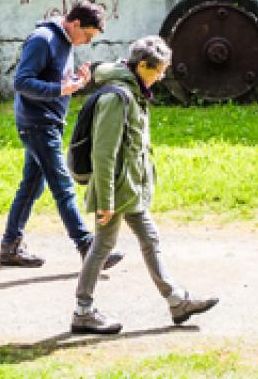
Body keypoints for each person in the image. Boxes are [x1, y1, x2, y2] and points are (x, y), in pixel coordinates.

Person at [71, 35, 219, 335]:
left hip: (130, 188)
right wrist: (106, 201)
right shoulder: (117, 98)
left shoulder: (134, 92)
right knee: (102, 246)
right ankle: (83, 311)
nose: (162, 76)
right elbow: (104, 153)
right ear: (142, 65)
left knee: (149, 238)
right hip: (115, 189)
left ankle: (177, 301)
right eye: (158, 70)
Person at [0, 0, 121, 271]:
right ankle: (88, 247)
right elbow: (21, 81)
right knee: (63, 187)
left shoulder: (64, 40)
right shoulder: (43, 39)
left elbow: (55, 80)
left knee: (32, 186)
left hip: (47, 122)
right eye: (88, 35)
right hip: (37, 123)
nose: (87, 41)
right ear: (75, 23)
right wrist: (60, 90)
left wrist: (75, 83)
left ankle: (10, 246)